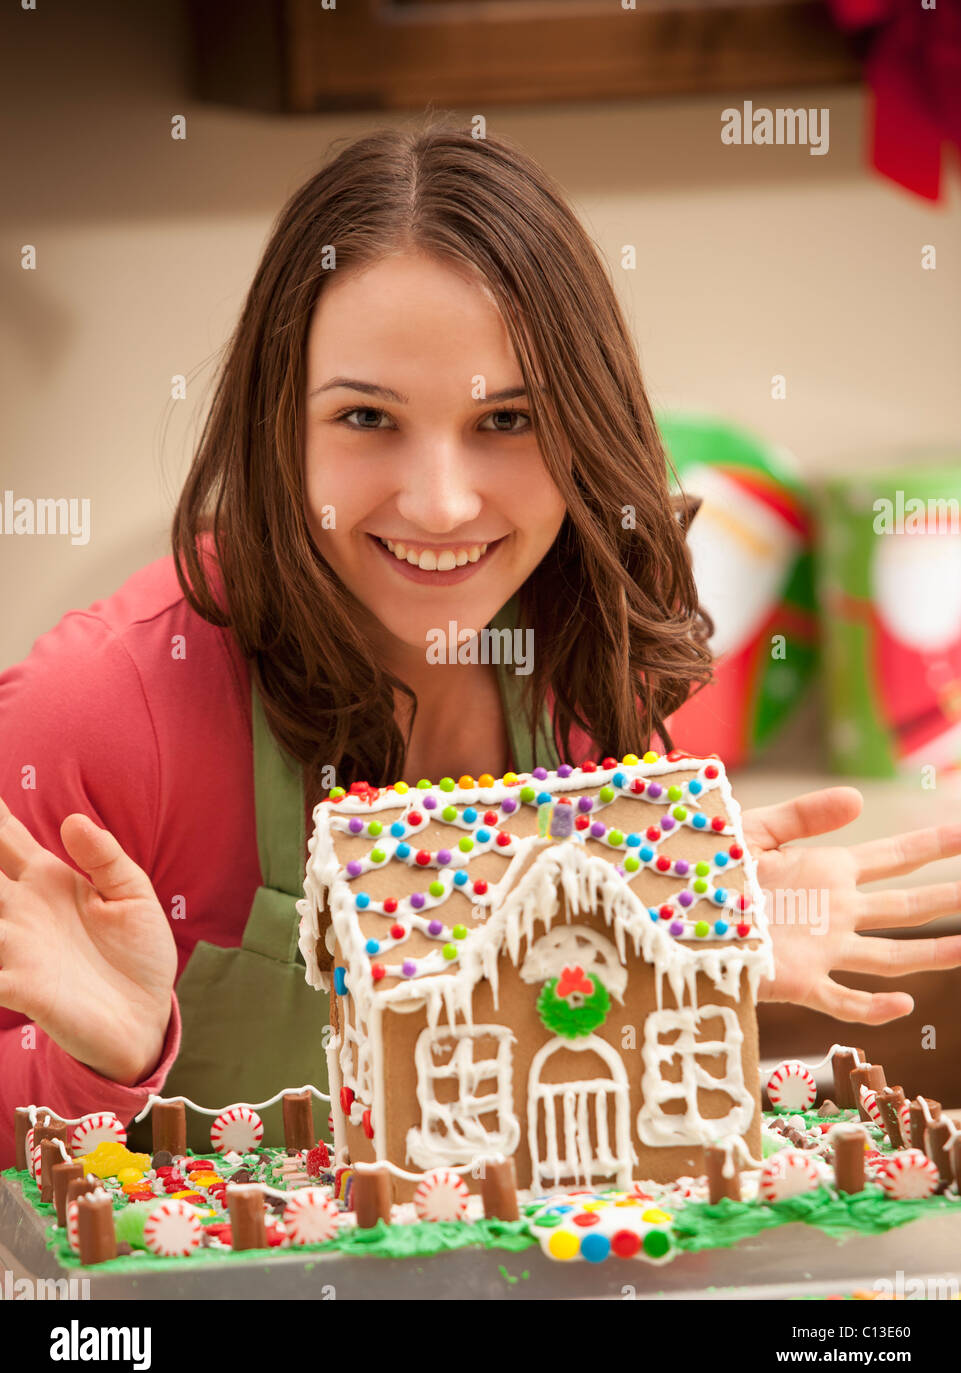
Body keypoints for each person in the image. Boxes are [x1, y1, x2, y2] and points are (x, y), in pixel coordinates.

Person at [3, 120, 961, 1166]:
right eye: (367, 417)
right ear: (275, 422)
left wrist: (677, 958)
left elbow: (559, 1141)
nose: (442, 502)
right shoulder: (100, 711)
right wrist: (101, 1062)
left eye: (506, 421)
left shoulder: (593, 652)